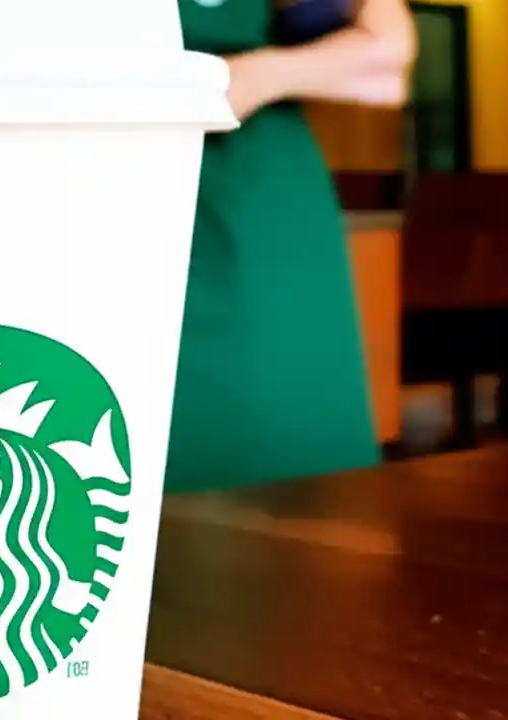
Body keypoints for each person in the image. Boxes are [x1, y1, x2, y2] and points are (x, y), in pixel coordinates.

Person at [167, 0, 417, 492]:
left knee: (288, 457)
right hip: (79, 176)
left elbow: (387, 57)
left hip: (249, 192)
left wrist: (250, 76)